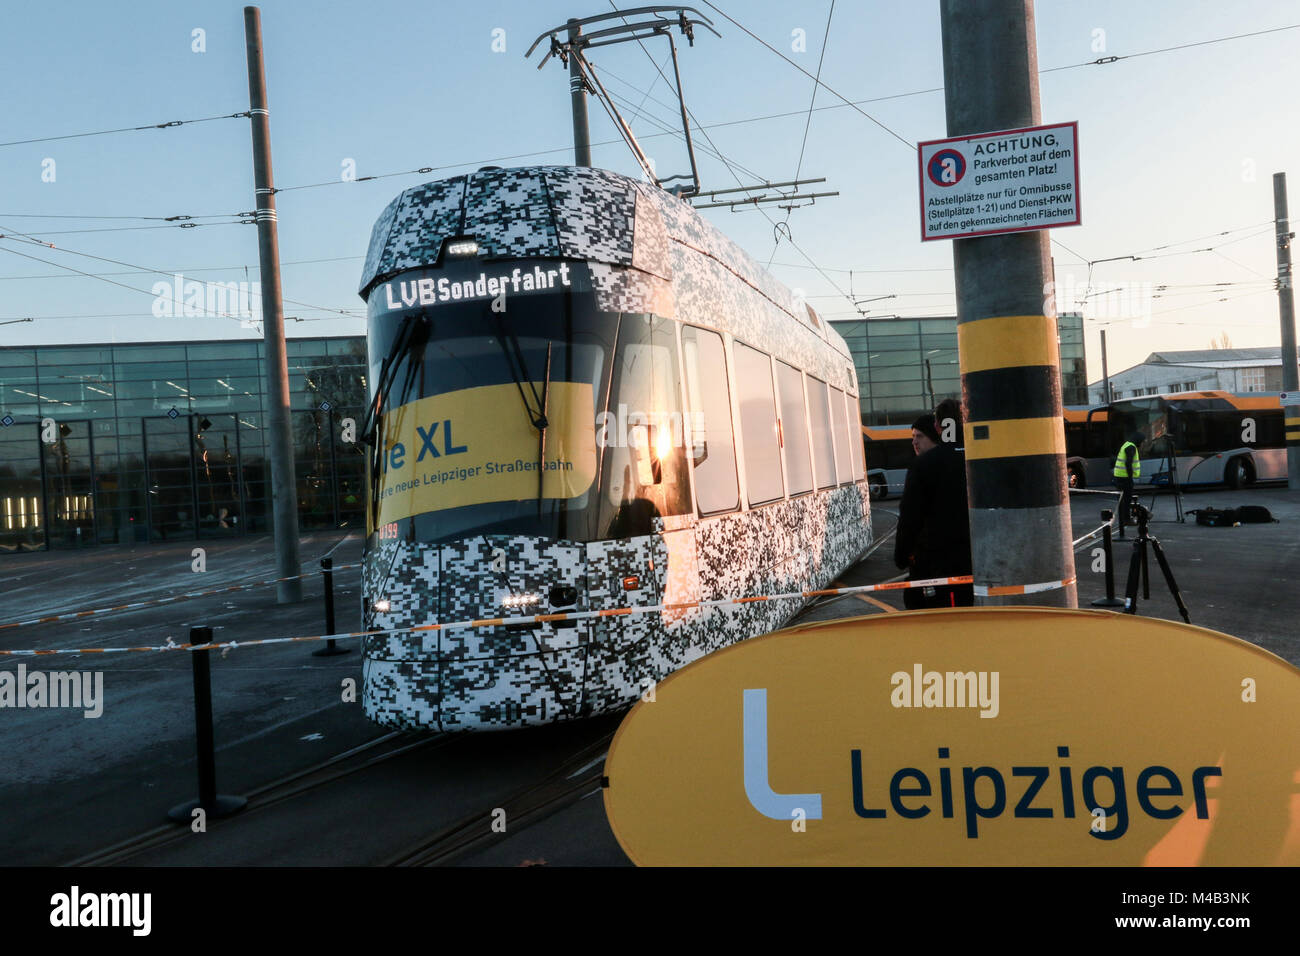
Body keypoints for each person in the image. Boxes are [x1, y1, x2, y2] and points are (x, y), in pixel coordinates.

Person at [893, 403, 974, 609]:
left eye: (918, 436)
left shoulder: (925, 465)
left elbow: (910, 516)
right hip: (979, 559)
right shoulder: (981, 457)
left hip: (937, 563)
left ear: (939, 426)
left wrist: (902, 555)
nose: (914, 442)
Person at [1113, 431, 1142, 537]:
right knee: (1126, 499)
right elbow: (1128, 463)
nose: (1141, 444)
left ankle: (1125, 519)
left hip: (1120, 476)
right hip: (1124, 477)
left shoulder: (1127, 444)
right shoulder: (1131, 447)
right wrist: (1130, 478)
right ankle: (1126, 519)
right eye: (1141, 442)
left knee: (1123, 499)